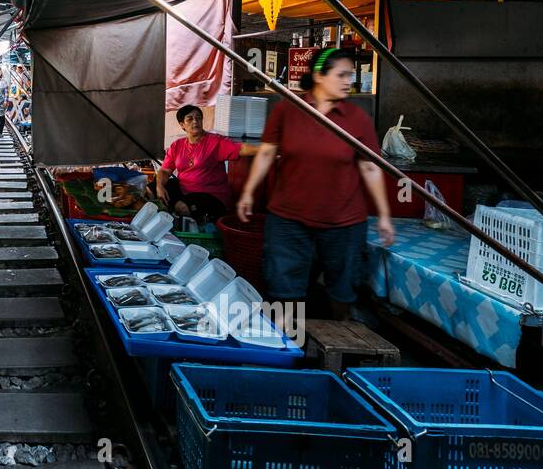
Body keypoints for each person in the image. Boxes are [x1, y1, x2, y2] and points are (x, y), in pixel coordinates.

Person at [236, 48, 395, 320]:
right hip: (289, 218)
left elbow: (370, 167)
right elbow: (266, 152)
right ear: (320, 76)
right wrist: (248, 192)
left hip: (344, 221)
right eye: (341, 75)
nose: (348, 81)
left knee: (342, 290)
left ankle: (336, 351)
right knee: (283, 289)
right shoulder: (287, 110)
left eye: (351, 75)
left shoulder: (358, 119)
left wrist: (383, 215)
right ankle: (288, 348)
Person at [156, 105, 257, 223]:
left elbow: (240, 148)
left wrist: (265, 150)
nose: (195, 121)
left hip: (212, 196)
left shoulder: (215, 141)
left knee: (181, 207)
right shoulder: (177, 145)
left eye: (198, 118)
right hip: (185, 191)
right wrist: (159, 186)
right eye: (190, 119)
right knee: (151, 189)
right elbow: (164, 171)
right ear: (182, 124)